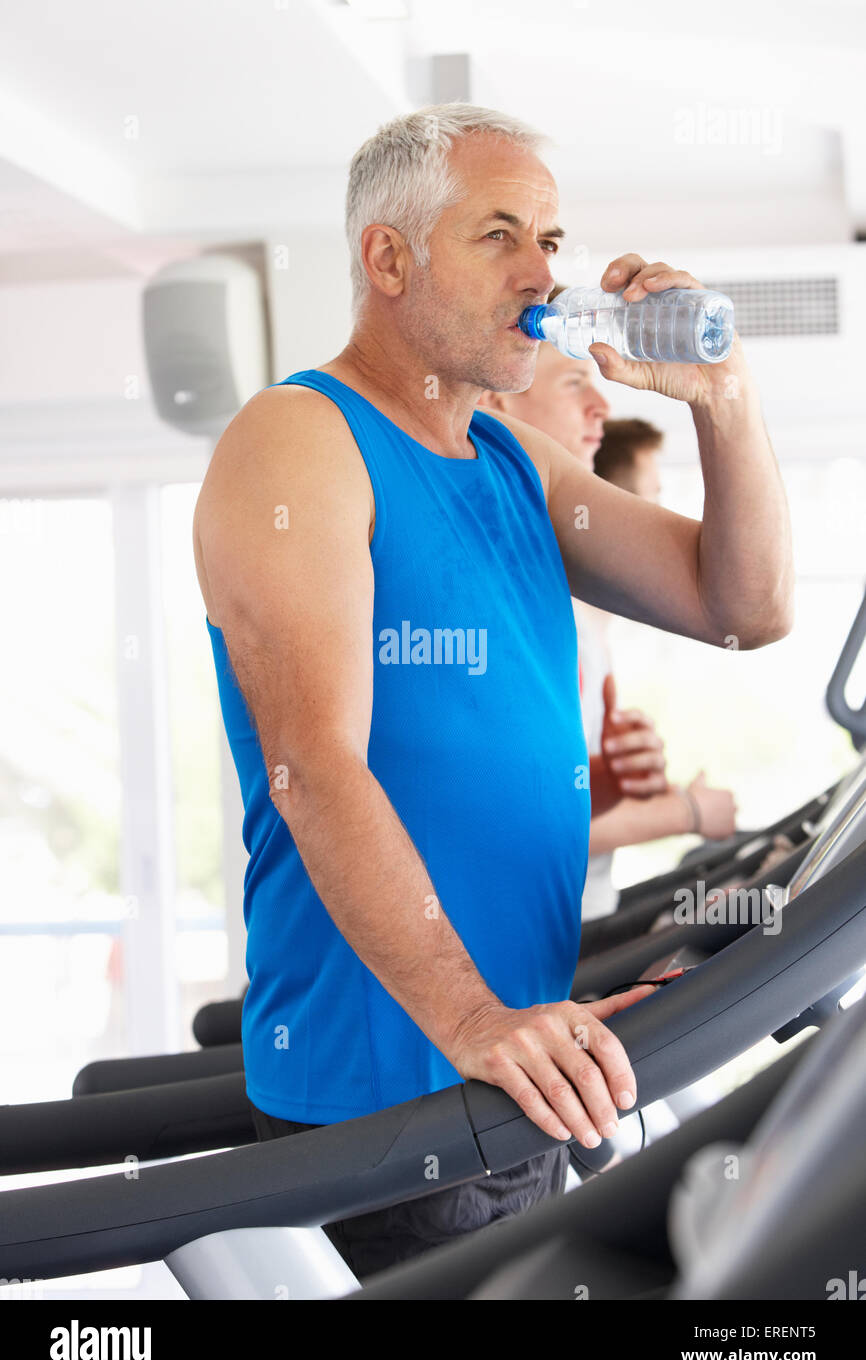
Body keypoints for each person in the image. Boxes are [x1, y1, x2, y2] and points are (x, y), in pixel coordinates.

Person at [193, 104, 793, 1279]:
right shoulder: (297, 443)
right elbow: (313, 763)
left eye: (553, 241)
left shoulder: (515, 462)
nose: (542, 271)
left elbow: (746, 609)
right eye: (499, 235)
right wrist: (470, 1016)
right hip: (399, 1085)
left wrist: (723, 402)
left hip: (513, 1069)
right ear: (387, 258)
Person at [479, 334, 737, 919]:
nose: (602, 407)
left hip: (570, 922)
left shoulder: (566, 615)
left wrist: (619, 773)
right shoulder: (508, 599)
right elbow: (513, 825)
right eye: (574, 384)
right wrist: (686, 814)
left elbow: (552, 791)